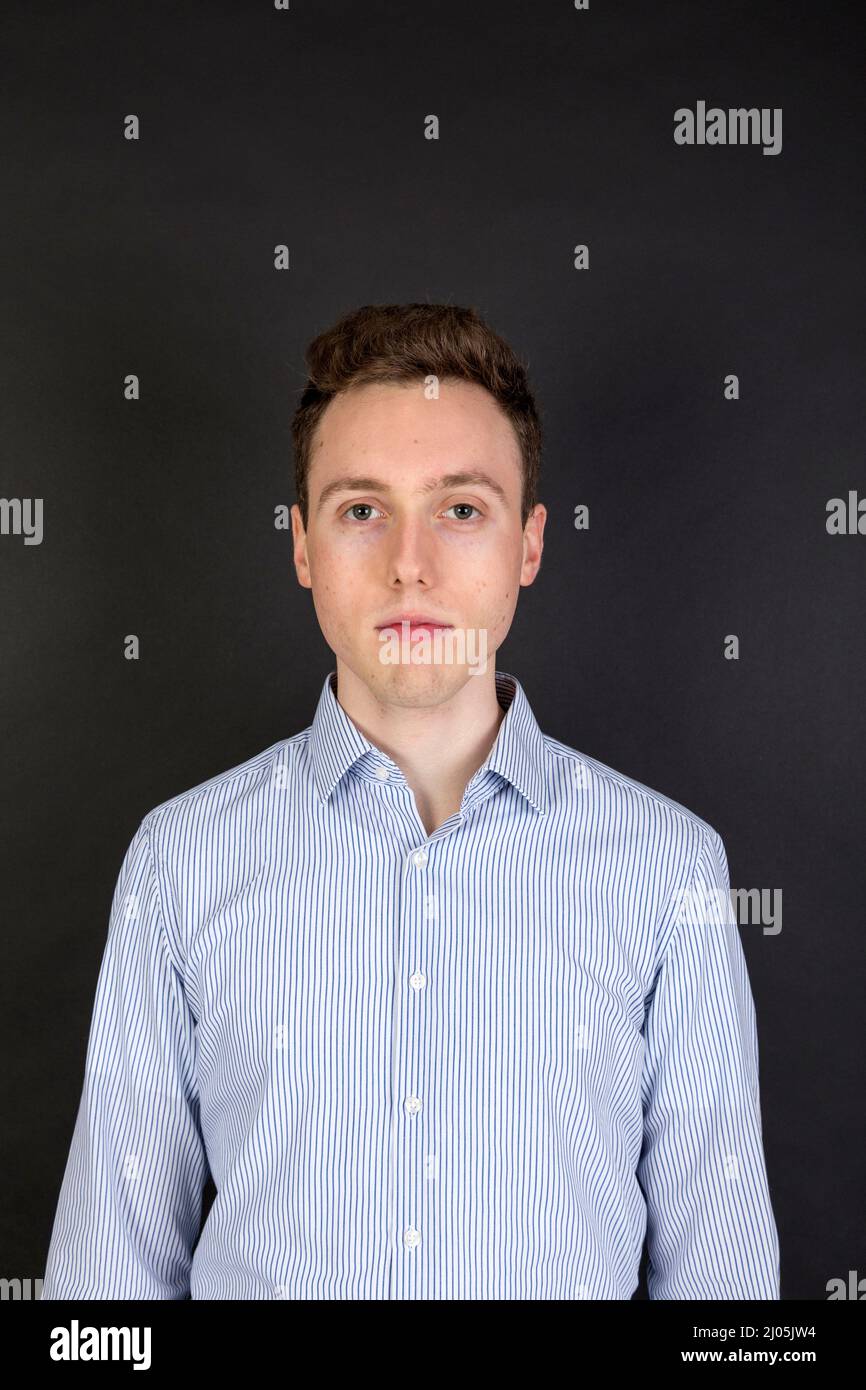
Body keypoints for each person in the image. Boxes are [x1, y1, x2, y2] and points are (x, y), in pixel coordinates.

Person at [42, 302, 780, 1299]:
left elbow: (726, 1302)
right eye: (361, 510)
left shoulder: (669, 866)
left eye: (460, 509)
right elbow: (106, 1288)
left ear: (529, 545)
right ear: (303, 547)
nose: (409, 564)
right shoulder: (179, 861)